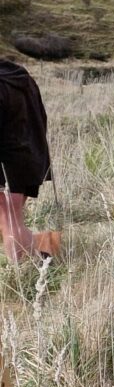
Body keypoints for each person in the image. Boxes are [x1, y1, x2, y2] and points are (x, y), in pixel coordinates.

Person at [0, 59, 55, 261]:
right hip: (29, 157)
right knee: (12, 221)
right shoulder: (20, 77)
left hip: (7, 166)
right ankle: (50, 248)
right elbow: (42, 117)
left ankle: (24, 276)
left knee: (10, 221)